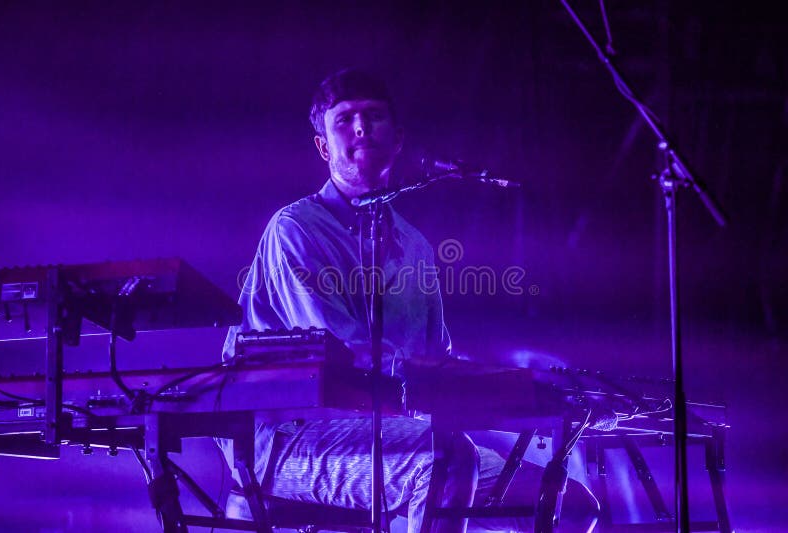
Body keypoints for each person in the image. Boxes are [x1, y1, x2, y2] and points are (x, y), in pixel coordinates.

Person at [221, 68, 596, 533]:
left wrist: (528, 386)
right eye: (345, 120)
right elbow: (343, 353)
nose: (361, 127)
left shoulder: (414, 245)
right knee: (449, 459)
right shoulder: (294, 229)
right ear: (323, 147)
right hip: (291, 439)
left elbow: (435, 361)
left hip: (391, 432)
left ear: (398, 139)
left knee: (571, 507)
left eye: (374, 116)